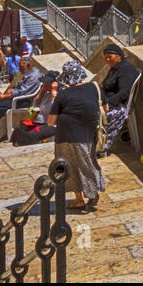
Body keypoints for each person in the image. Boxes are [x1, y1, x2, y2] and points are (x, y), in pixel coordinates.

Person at [46, 61, 105, 212]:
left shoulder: (63, 94)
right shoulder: (94, 87)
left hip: (66, 135)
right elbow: (105, 107)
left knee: (69, 166)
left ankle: (83, 197)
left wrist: (54, 98)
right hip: (88, 133)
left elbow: (50, 121)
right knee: (87, 161)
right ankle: (90, 193)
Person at [99, 44, 139, 152]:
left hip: (119, 105)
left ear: (119, 56)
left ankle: (99, 145)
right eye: (105, 58)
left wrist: (107, 103)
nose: (107, 60)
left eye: (110, 57)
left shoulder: (126, 70)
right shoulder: (114, 68)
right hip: (107, 100)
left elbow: (124, 93)